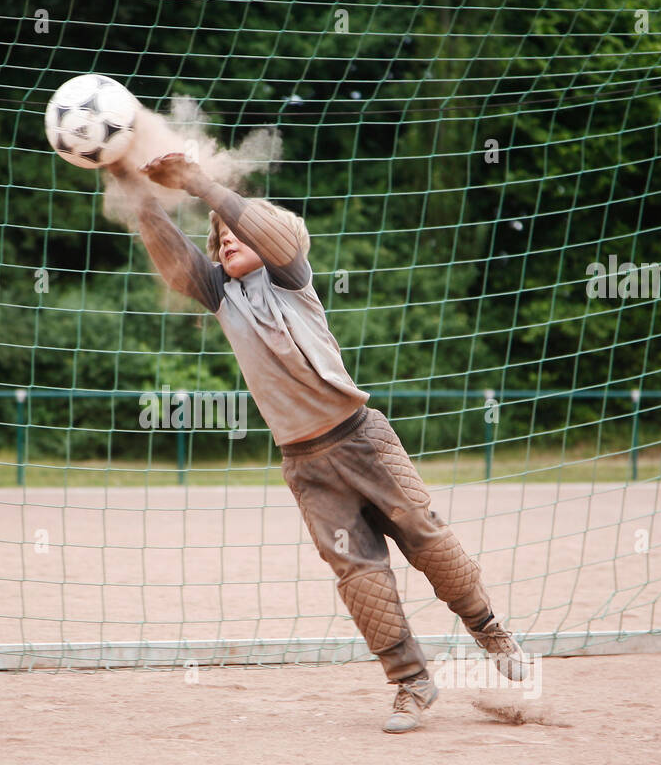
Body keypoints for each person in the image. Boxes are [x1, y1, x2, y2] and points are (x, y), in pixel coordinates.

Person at [110, 152, 530, 733]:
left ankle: (492, 634)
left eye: (236, 233)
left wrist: (202, 184)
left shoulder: (290, 275)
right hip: (307, 466)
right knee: (360, 577)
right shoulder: (222, 295)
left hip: (362, 440)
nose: (225, 241)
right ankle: (411, 683)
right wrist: (130, 182)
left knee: (428, 540)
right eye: (220, 240)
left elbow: (277, 236)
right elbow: (176, 258)